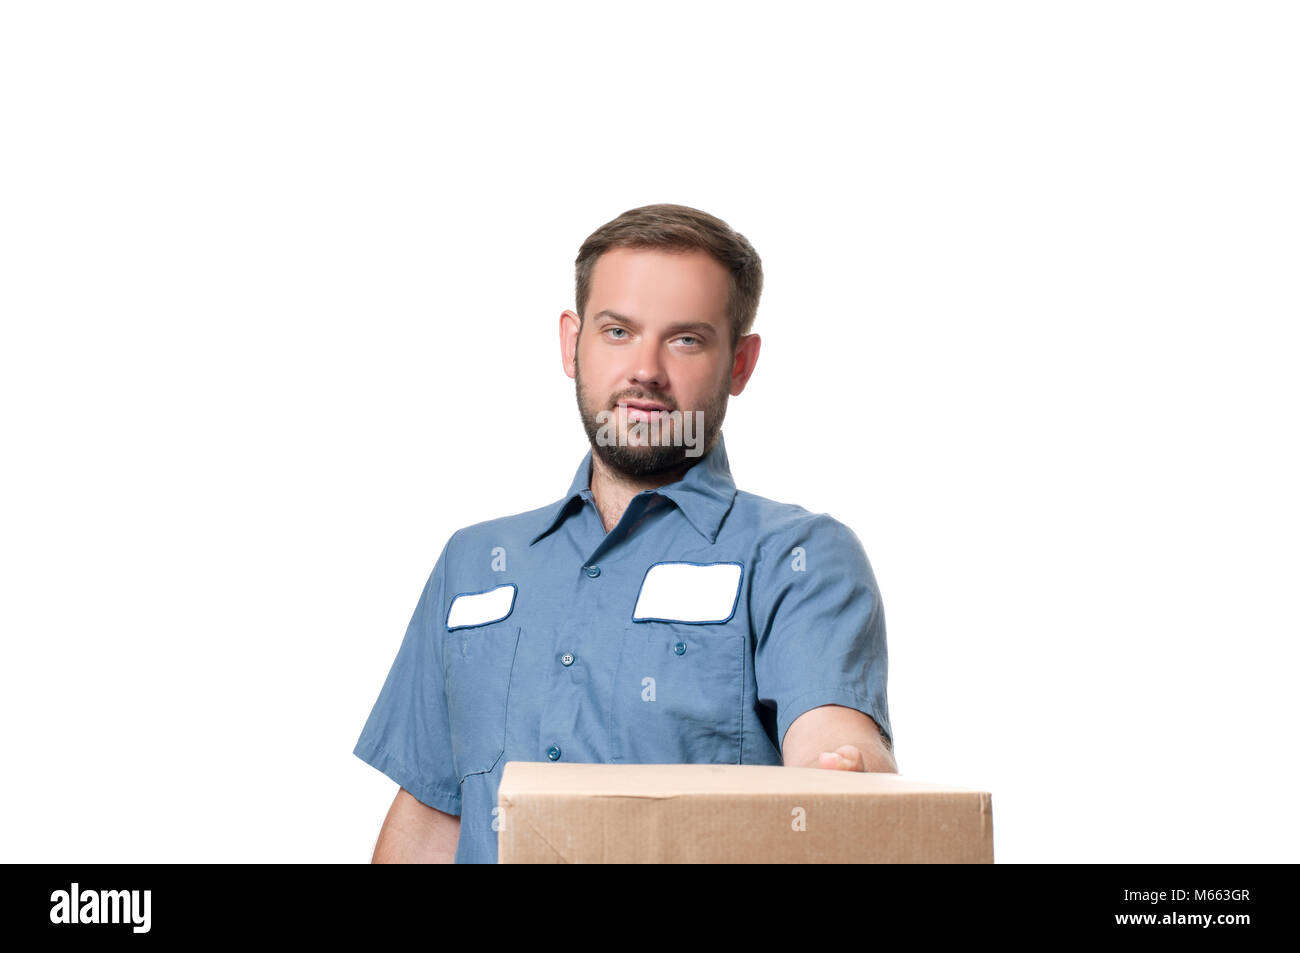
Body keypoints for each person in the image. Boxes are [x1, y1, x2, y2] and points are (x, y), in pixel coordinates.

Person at [353, 203, 897, 863]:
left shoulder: (797, 556)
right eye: (617, 331)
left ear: (740, 364)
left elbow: (834, 746)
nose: (646, 369)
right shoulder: (474, 564)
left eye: (686, 339)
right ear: (570, 343)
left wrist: (848, 771)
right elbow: (434, 811)